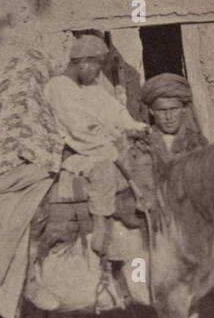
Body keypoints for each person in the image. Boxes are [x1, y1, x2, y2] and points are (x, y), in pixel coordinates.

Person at [42, 33, 149, 256]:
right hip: (76, 151)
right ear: (83, 63)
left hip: (97, 145)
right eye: (97, 67)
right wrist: (115, 143)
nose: (99, 74)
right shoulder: (58, 88)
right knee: (104, 169)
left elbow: (114, 112)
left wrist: (135, 128)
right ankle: (101, 228)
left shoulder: (90, 89)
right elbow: (79, 130)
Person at [139, 72, 209, 157]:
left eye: (174, 109)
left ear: (184, 108)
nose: (168, 117)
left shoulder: (199, 142)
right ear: (151, 111)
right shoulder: (143, 144)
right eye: (162, 110)